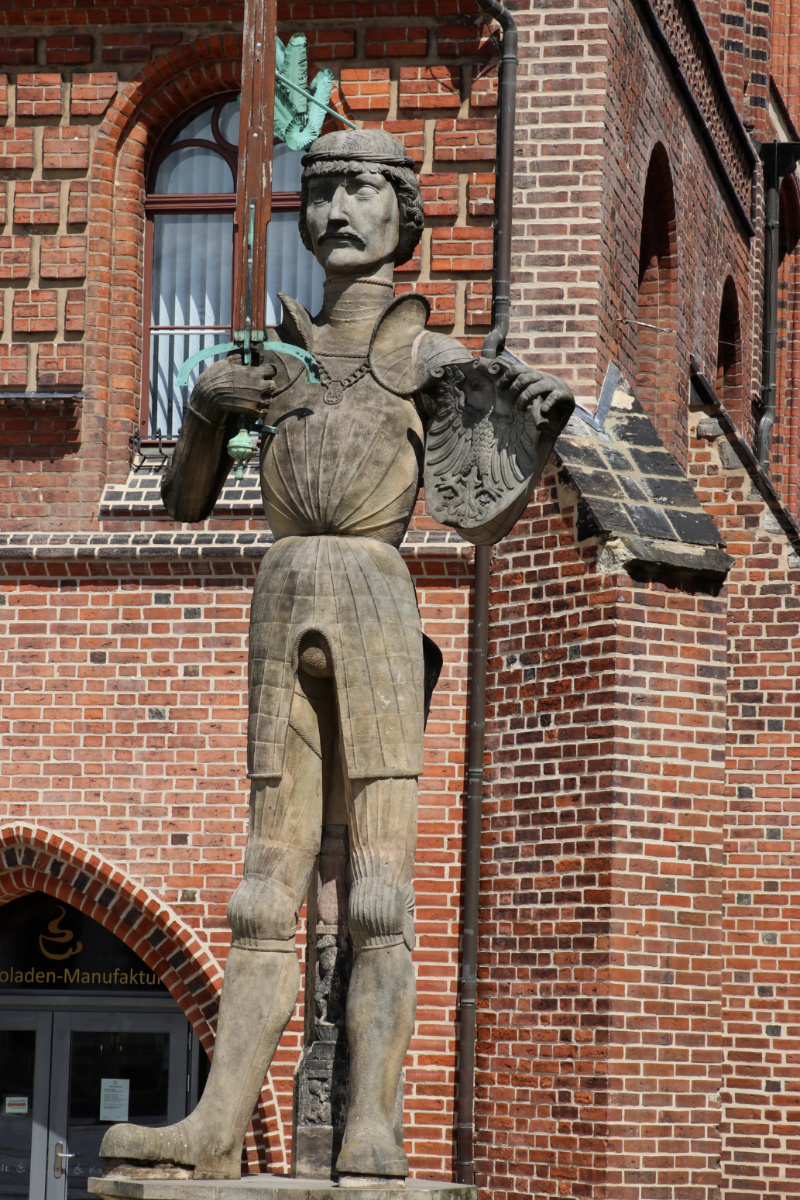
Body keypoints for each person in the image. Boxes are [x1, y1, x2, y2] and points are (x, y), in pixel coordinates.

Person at [101, 128, 574, 1181]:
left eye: (359, 190)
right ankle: (219, 1121)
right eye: (316, 195)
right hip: (283, 591)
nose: (334, 213)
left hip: (371, 589)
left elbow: (480, 509)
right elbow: (184, 502)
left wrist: (523, 423)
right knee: (266, 887)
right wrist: (198, 413)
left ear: (403, 213)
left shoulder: (427, 356)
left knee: (376, 888)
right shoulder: (273, 360)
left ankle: (372, 1119)